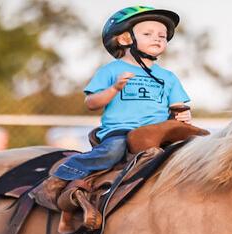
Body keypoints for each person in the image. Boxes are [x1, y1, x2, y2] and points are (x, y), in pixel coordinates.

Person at [30, 6, 192, 209]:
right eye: (148, 33)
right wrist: (114, 88)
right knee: (113, 151)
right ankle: (58, 179)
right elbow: (91, 103)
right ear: (124, 39)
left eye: (163, 35)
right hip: (122, 130)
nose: (158, 38)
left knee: (192, 150)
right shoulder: (112, 70)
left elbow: (178, 105)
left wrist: (182, 113)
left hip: (158, 133)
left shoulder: (168, 76)